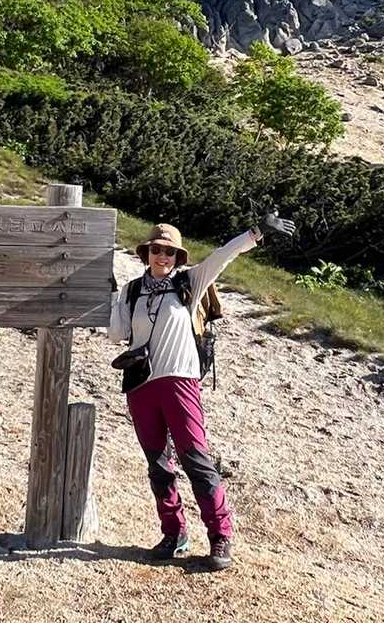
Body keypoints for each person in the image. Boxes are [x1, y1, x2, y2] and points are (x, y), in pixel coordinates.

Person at [109, 212, 295, 572]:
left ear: (178, 257)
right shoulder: (132, 290)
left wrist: (256, 232)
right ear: (146, 253)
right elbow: (116, 334)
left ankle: (220, 535)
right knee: (158, 464)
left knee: (196, 460)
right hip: (141, 386)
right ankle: (173, 533)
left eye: (170, 252)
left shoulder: (189, 283)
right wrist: (113, 295)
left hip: (180, 382)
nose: (162, 257)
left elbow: (221, 256)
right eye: (156, 250)